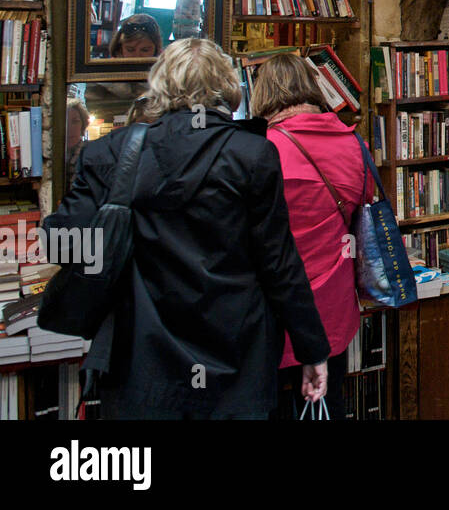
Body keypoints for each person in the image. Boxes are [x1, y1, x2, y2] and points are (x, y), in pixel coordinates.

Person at [45, 39, 330, 418]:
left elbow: (62, 244)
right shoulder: (254, 155)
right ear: (228, 88)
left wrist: (121, 237)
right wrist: (312, 350)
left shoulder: (110, 153)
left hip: (139, 364)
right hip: (236, 362)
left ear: (160, 86)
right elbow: (279, 265)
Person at [251, 54, 367, 419]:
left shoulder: (259, 150)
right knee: (324, 405)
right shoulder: (352, 143)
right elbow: (361, 209)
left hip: (271, 310)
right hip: (331, 307)